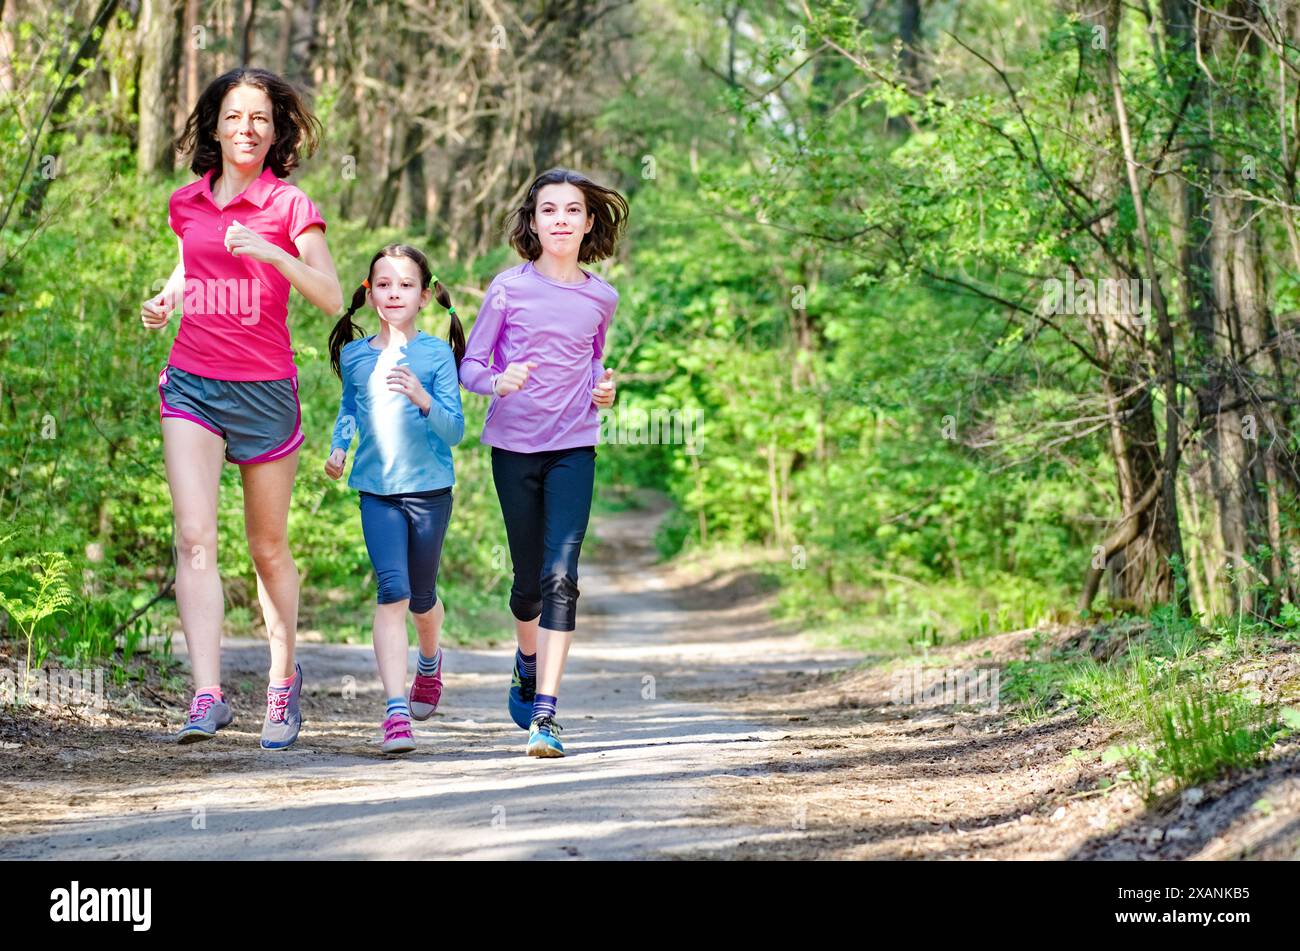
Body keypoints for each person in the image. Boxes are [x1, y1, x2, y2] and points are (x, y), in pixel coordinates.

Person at [140, 68, 342, 748]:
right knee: (194, 536)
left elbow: (332, 295)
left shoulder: (290, 206)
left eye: (260, 117)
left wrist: (271, 252)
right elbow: (190, 265)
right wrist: (169, 298)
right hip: (192, 382)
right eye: (235, 115)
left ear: (275, 130)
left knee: (266, 547)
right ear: (216, 126)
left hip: (264, 390)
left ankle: (283, 681)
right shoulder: (186, 202)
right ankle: (207, 693)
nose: (247, 127)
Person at [459, 168, 628, 757]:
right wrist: (498, 380)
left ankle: (547, 715)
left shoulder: (601, 296)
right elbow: (470, 366)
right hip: (513, 448)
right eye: (549, 210)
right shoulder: (507, 289)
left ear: (588, 223)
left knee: (562, 576)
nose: (561, 219)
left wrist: (604, 392)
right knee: (528, 585)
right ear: (533, 223)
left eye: (572, 210)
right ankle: (526, 661)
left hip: (575, 446)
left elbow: (594, 365)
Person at [326, 245, 465, 754]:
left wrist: (422, 397)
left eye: (406, 285)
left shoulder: (436, 356)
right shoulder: (356, 355)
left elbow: (455, 432)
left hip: (430, 492)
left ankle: (428, 662)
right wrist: (340, 447)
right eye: (383, 284)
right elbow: (349, 410)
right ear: (369, 292)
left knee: (423, 599)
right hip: (376, 493)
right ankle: (394, 712)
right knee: (393, 592)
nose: (393, 293)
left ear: (425, 296)